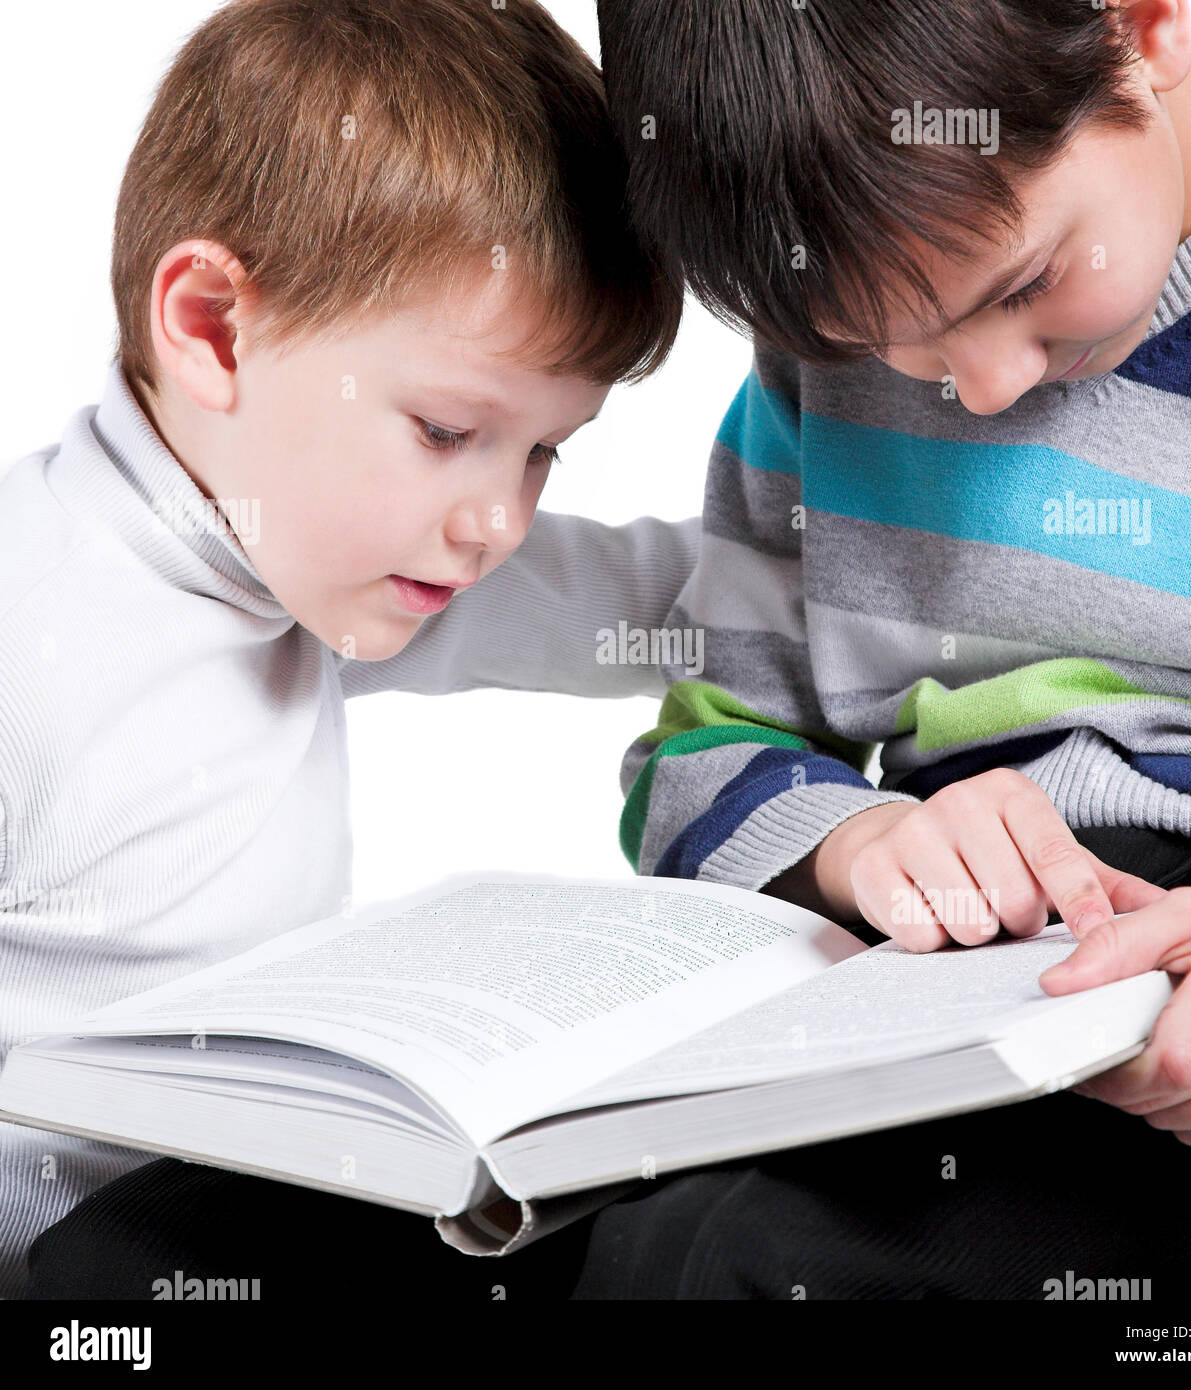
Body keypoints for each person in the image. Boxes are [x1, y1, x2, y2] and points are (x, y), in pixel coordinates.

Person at [562, 0, 1191, 1295]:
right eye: (887, 350)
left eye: (1025, 283)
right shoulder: (829, 334)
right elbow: (705, 742)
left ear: (1145, 24)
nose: (985, 385)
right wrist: (853, 841)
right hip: (923, 981)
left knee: (740, 1269)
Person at [1, 0, 696, 1300]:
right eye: (447, 430)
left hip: (234, 1237)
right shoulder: (33, 628)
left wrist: (918, 571)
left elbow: (646, 593)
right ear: (213, 326)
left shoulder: (306, 564)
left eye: (545, 449)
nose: (500, 518)